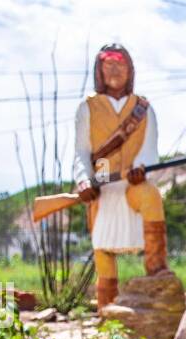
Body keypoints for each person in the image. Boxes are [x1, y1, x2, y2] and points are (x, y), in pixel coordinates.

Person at [73, 44, 168, 308]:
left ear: (130, 70)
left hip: (131, 186)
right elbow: (81, 151)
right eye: (108, 64)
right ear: (99, 70)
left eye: (120, 64)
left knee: (151, 196)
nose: (115, 70)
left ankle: (158, 273)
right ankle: (106, 307)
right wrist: (83, 180)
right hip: (102, 188)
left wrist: (141, 168)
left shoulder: (143, 108)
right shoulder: (87, 107)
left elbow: (150, 150)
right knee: (102, 249)